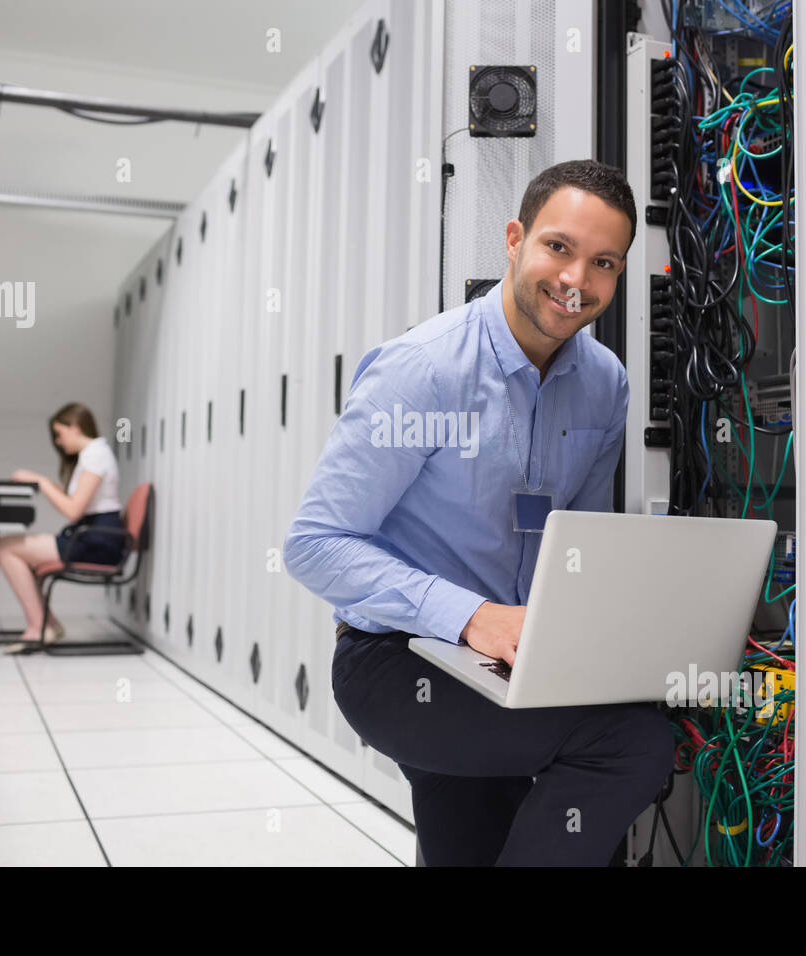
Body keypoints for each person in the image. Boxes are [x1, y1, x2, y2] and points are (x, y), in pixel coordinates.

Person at [283, 159, 674, 866]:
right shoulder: (425, 371)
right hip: (399, 660)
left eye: (603, 263)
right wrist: (471, 617)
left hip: (514, 660)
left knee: (480, 840)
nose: (576, 281)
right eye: (558, 247)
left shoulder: (604, 385)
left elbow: (573, 551)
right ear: (514, 238)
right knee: (629, 743)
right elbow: (314, 544)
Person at [0, 402, 124, 649]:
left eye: (59, 434)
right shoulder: (91, 455)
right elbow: (74, 503)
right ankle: (46, 625)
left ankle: (39, 627)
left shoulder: (95, 455)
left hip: (98, 541)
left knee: (4, 547)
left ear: (74, 427)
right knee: (7, 546)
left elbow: (72, 511)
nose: (58, 442)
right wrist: (43, 482)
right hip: (91, 534)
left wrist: (41, 482)